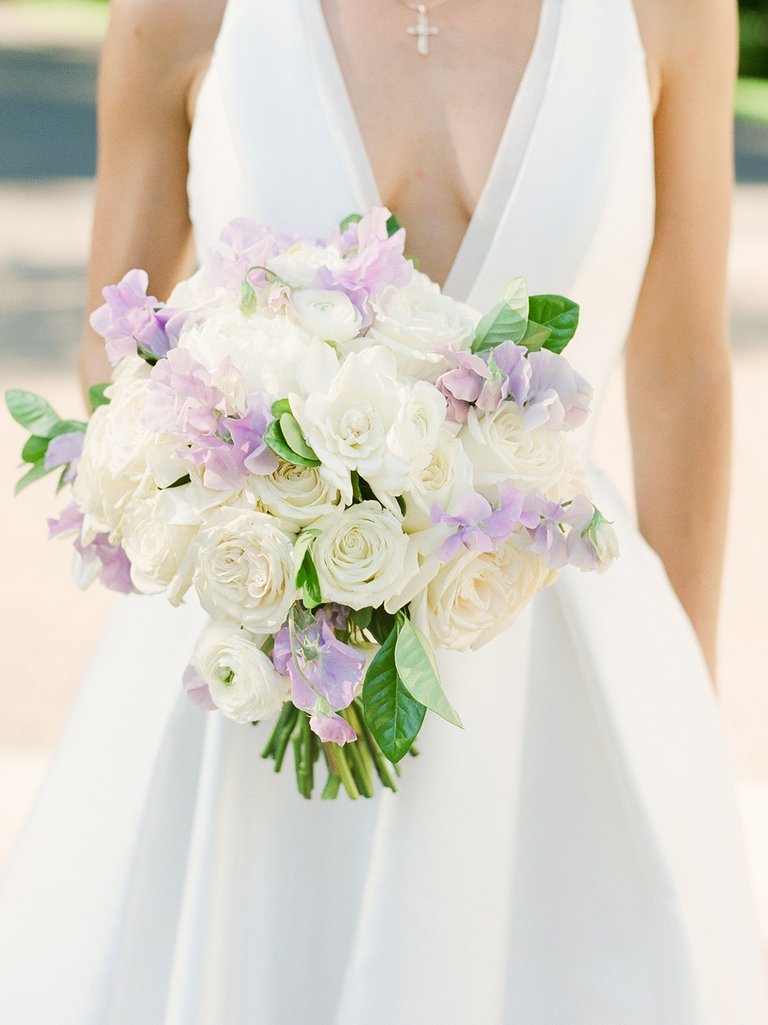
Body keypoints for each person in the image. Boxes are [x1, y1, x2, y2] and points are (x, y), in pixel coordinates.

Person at [1, 0, 766, 1022]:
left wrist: (683, 694)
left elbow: (681, 369)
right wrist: (255, 489)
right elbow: (115, 352)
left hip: (566, 683)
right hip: (265, 671)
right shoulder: (180, 10)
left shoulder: (670, 13)